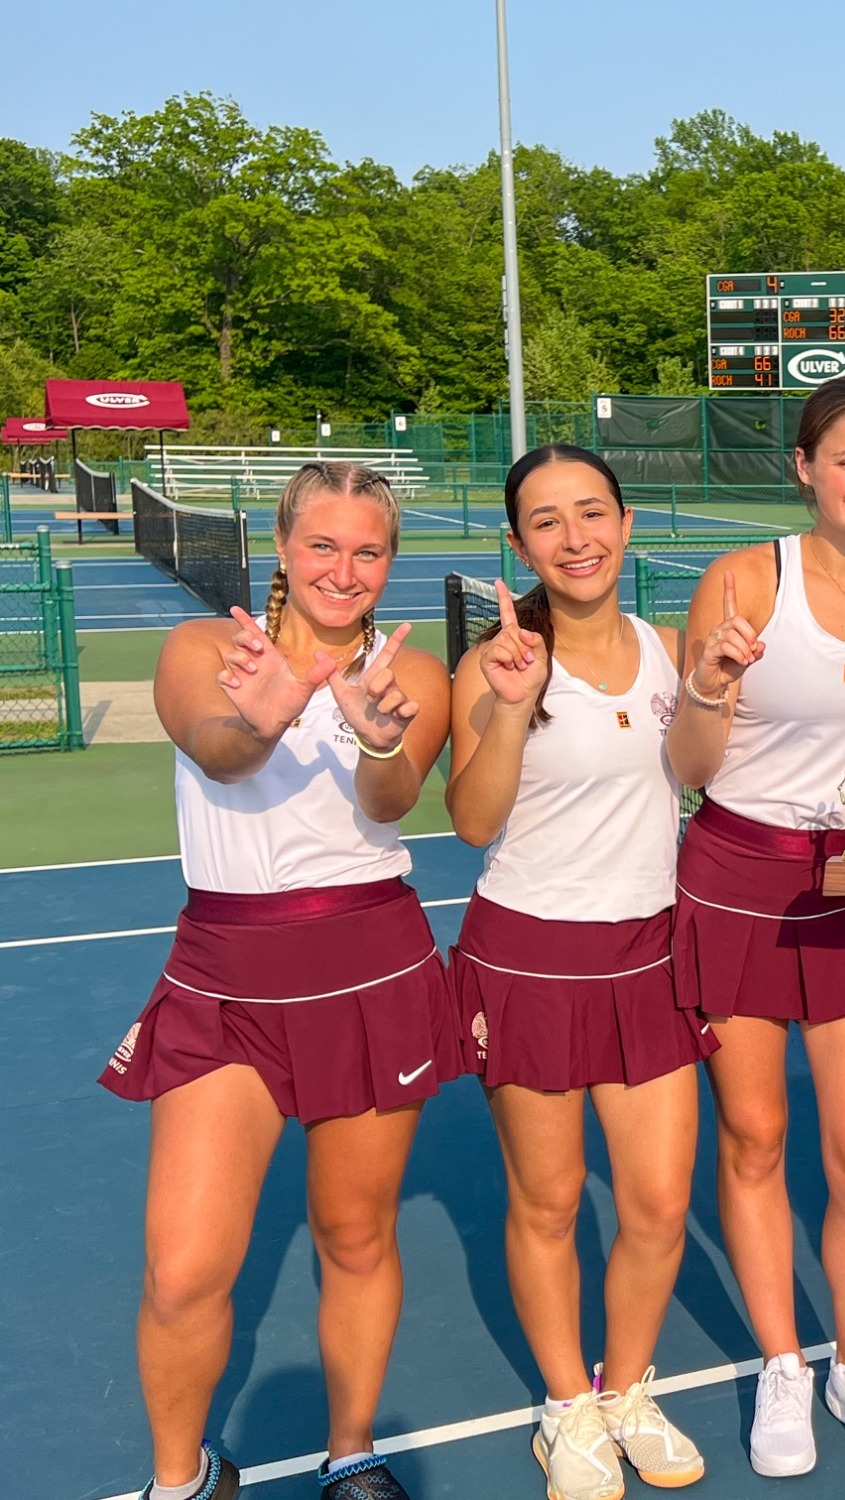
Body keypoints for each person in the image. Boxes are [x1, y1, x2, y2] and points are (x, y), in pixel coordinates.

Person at [100, 461, 456, 1500]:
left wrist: (377, 735)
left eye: (369, 551)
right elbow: (219, 754)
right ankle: (185, 1480)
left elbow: (389, 798)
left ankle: (353, 1454)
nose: (344, 571)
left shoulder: (412, 675)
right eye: (323, 546)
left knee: (354, 1234)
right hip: (227, 978)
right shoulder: (206, 648)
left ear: (391, 561)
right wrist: (264, 715)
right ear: (284, 547)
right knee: (182, 1271)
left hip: (372, 967)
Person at [666, 374, 845, 1478]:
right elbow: (687, 767)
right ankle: (784, 1362)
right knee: (754, 1140)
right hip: (735, 871)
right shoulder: (740, 581)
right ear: (805, 467)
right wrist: (712, 681)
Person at [445, 444, 711, 1499]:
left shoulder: (667, 650)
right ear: (520, 546)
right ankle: (568, 1408)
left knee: (653, 1201)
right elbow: (469, 823)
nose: (575, 537)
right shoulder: (496, 661)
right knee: (548, 1201)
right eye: (546, 521)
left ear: (626, 523)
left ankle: (628, 1388)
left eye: (591, 512)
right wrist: (511, 704)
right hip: (527, 956)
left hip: (649, 953)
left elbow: (700, 773)